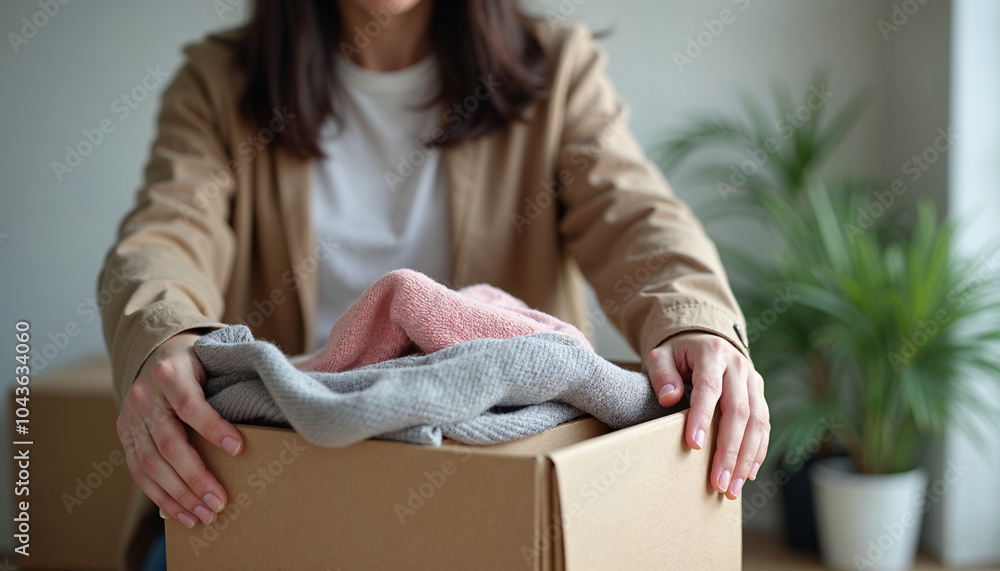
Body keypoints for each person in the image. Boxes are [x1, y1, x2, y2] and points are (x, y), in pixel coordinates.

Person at [100, 0, 769, 566]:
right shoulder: (221, 82)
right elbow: (166, 237)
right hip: (281, 470)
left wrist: (695, 322)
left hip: (496, 485)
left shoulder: (556, 69)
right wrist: (167, 337)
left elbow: (637, 221)